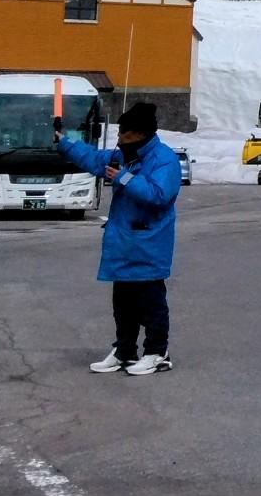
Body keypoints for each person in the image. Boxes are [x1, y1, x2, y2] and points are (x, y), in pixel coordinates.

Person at [58, 101, 182, 375]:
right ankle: (125, 351)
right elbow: (93, 158)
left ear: (141, 135)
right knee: (123, 303)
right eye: (119, 134)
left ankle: (157, 352)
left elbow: (160, 196)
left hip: (150, 242)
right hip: (124, 243)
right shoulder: (124, 155)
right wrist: (65, 143)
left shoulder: (164, 159)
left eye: (125, 135)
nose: (119, 140)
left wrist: (125, 178)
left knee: (151, 302)